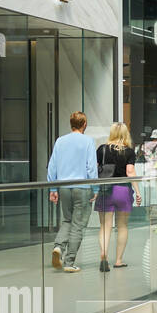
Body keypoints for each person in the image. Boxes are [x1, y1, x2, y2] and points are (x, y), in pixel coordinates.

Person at [47, 111, 98, 273]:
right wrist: (95, 188)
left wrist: (53, 188)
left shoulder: (60, 141)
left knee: (67, 220)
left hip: (63, 186)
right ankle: (69, 262)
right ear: (84, 124)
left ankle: (58, 247)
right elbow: (91, 167)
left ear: (71, 124)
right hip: (82, 187)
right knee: (78, 225)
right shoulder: (89, 141)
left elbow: (52, 166)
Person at [94, 122, 140, 272]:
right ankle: (119, 260)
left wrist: (94, 189)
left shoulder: (102, 150)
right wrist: (138, 191)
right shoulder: (129, 152)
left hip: (105, 189)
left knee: (104, 226)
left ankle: (103, 255)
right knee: (122, 226)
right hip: (122, 190)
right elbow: (130, 172)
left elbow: (95, 170)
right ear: (126, 134)